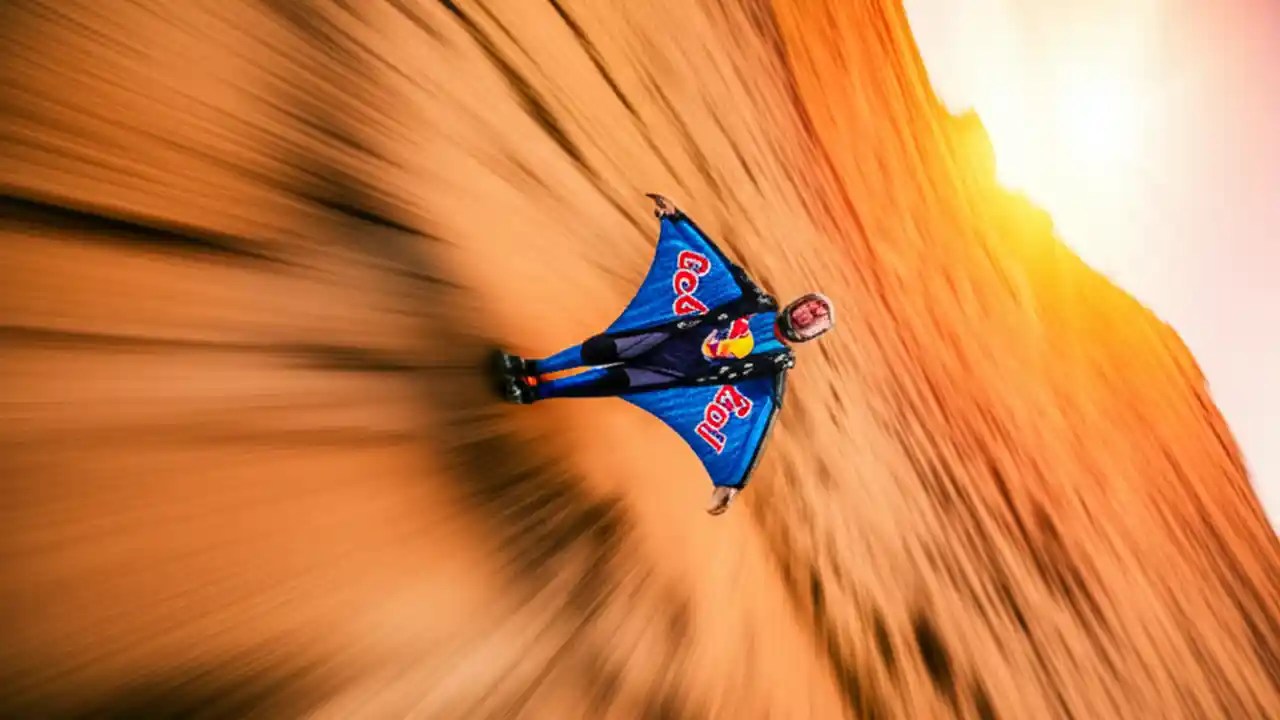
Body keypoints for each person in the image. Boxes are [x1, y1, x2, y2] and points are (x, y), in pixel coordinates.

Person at [495, 194, 835, 515]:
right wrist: (677, 220)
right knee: (600, 348)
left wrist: (732, 482)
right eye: (807, 309)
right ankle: (532, 367)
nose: (804, 316)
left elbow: (759, 425)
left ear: (808, 334)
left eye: (811, 319)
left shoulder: (773, 368)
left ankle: (535, 391)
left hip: (676, 375)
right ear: (798, 302)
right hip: (667, 335)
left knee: (612, 380)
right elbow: (722, 265)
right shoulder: (758, 302)